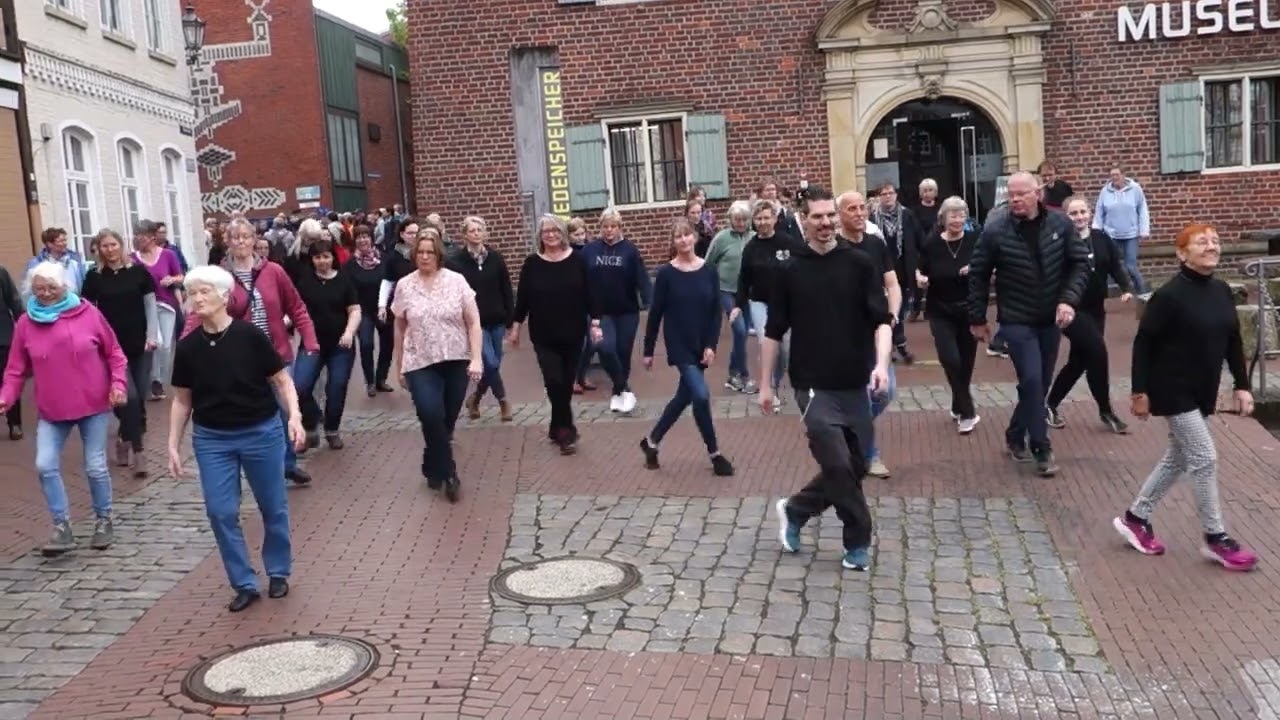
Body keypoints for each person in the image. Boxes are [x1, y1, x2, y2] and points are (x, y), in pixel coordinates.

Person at [763, 187, 892, 572]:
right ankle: (858, 540)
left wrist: (881, 366)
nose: (825, 223)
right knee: (836, 463)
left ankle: (796, 510)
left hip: (855, 382)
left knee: (855, 467)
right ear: (803, 220)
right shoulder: (789, 269)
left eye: (829, 216)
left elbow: (882, 321)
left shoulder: (860, 263)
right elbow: (773, 331)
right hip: (812, 384)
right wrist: (767, 384)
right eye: (816, 216)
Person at [1115, 223, 1257, 572]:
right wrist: (1139, 391)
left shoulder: (1223, 291)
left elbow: (1233, 342)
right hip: (1171, 388)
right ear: (1182, 253)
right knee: (1204, 457)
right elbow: (1143, 342)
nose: (1211, 246)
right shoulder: (1169, 295)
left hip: (1202, 388)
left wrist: (1242, 385)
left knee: (1177, 458)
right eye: (1201, 242)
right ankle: (1216, 538)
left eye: (1215, 241)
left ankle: (1136, 517)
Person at [168, 265, 306, 612]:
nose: (196, 299)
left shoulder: (250, 337)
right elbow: (182, 399)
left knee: (273, 506)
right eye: (192, 292)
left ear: (224, 297)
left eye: (204, 292)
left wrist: (296, 417)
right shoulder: (187, 348)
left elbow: (282, 380)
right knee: (220, 511)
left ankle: (278, 570)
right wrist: (173, 444)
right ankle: (243, 582)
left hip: (261, 431)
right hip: (213, 438)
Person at [0, 261, 128, 555]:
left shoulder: (88, 314)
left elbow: (115, 354)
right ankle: (61, 526)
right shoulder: (25, 324)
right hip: (52, 409)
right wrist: (6, 396)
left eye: (52, 288)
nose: (45, 293)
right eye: (39, 288)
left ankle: (103, 519)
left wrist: (118, 385)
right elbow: (16, 369)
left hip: (93, 403)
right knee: (45, 465)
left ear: (65, 287)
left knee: (95, 466)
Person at [967, 171, 1089, 477]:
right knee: (1032, 380)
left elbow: (1079, 265)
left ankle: (1014, 432)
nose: (1015, 199)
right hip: (1017, 319)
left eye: (1022, 193)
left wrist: (1068, 300)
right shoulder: (996, 230)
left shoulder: (1060, 224)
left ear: (1039, 194)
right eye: (1011, 194)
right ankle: (1041, 447)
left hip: (1050, 318)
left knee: (1040, 384)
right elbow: (978, 274)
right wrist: (978, 318)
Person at [182, 217, 319, 485]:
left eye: (246, 236)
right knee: (260, 411)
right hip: (240, 358)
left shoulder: (274, 272)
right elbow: (200, 310)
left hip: (275, 351)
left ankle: (287, 463)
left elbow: (296, 306)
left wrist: (310, 340)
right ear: (228, 242)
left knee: (283, 407)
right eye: (235, 238)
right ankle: (265, 463)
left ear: (255, 239)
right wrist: (186, 340)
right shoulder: (219, 276)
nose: (241, 242)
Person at [392, 227, 483, 502]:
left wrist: (477, 357)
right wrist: (398, 367)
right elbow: (399, 326)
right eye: (420, 252)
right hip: (420, 360)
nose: (424, 257)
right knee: (430, 413)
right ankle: (449, 473)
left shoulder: (456, 281)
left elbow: (473, 321)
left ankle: (432, 461)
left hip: (456, 358)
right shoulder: (405, 285)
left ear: (438, 254)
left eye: (430, 252)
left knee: (446, 419)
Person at [639, 219, 734, 476]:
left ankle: (652, 442)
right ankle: (715, 453)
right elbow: (655, 313)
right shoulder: (666, 274)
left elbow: (715, 313)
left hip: (701, 343)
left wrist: (711, 346)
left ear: (694, 238)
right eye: (678, 237)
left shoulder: (709, 270)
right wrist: (648, 351)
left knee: (685, 397)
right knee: (701, 396)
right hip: (679, 343)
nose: (683, 241)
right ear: (673, 242)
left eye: (687, 235)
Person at [511, 215, 603, 454]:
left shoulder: (578, 261)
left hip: (573, 333)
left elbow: (591, 293)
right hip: (543, 335)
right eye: (545, 231)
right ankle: (566, 431)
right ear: (539, 236)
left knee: (566, 382)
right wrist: (516, 326)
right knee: (554, 381)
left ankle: (556, 425)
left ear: (562, 233)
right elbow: (522, 299)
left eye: (554, 230)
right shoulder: (532, 264)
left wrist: (595, 321)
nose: (550, 235)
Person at [1046, 195, 1133, 433]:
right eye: (1073, 213)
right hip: (1070, 308)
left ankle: (1050, 404)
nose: (1079, 217)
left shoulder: (1101, 239)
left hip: (1096, 308)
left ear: (1090, 213)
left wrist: (1126, 288)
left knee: (1079, 361)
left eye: (1083, 211)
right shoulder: (1059, 241)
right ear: (1065, 217)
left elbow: (1116, 265)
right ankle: (1106, 410)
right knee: (1097, 351)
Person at [82, 229, 161, 476]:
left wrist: (152, 335)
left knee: (139, 397)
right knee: (130, 398)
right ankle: (139, 453)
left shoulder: (138, 272)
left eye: (113, 244)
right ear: (98, 250)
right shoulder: (94, 277)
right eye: (104, 246)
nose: (109, 249)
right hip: (111, 348)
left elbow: (150, 305)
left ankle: (123, 439)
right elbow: (88, 312)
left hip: (140, 343)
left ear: (121, 245)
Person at [916, 196, 980, 434]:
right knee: (950, 358)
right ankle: (968, 412)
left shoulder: (975, 240)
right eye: (953, 215)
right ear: (943, 218)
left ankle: (957, 403)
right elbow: (920, 269)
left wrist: (975, 268)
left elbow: (988, 266)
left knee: (966, 363)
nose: (958, 219)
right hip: (940, 309)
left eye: (962, 215)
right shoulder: (932, 243)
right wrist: (920, 279)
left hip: (969, 308)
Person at [734, 200, 804, 409]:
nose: (763, 222)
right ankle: (769, 387)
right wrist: (738, 304)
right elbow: (743, 278)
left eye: (767, 217)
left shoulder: (788, 242)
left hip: (785, 303)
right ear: (754, 222)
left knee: (785, 349)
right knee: (767, 342)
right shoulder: (751, 248)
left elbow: (803, 266)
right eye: (759, 219)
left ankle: (776, 378)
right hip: (760, 302)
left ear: (774, 219)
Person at [580, 209, 651, 414]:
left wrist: (650, 302)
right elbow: (579, 277)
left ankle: (619, 392)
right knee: (604, 347)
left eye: (613, 226)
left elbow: (642, 279)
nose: (609, 230)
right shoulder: (589, 251)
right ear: (600, 227)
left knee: (623, 353)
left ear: (620, 227)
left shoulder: (629, 250)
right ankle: (623, 388)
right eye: (605, 226)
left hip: (627, 311)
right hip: (599, 313)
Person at [292, 240, 361, 450]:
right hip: (312, 344)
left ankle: (332, 429)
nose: (322, 261)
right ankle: (312, 420)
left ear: (333, 258)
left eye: (326, 256)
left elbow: (355, 310)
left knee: (336, 387)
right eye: (317, 257)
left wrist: (349, 332)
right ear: (312, 260)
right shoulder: (305, 282)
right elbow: (295, 308)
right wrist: (287, 321)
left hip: (340, 345)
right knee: (300, 386)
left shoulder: (344, 280)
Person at [448, 217, 515, 422]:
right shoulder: (456, 262)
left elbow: (506, 288)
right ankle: (503, 401)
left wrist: (510, 320)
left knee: (492, 365)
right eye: (472, 230)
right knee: (490, 363)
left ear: (485, 233)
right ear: (465, 234)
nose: (476, 233)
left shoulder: (495, 258)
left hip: (497, 320)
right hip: (474, 323)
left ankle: (475, 398)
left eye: (480, 230)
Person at [705, 200, 756, 394]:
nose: (741, 223)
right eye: (737, 219)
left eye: (744, 219)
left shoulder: (754, 237)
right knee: (741, 331)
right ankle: (743, 375)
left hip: (748, 293)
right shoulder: (722, 238)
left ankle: (733, 375)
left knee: (741, 335)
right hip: (726, 290)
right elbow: (709, 263)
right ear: (731, 220)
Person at [346, 225, 394, 397]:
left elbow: (391, 282)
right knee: (366, 344)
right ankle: (370, 382)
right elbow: (348, 290)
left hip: (383, 308)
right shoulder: (350, 265)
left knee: (387, 344)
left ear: (372, 239)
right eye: (358, 237)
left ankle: (381, 378)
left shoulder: (385, 259)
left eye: (366, 236)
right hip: (362, 310)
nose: (362, 240)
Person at [0, 263, 24, 440]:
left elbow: (14, 300)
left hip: (3, 336)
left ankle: (14, 423)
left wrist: (25, 328)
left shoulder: (1, 272)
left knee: (9, 379)